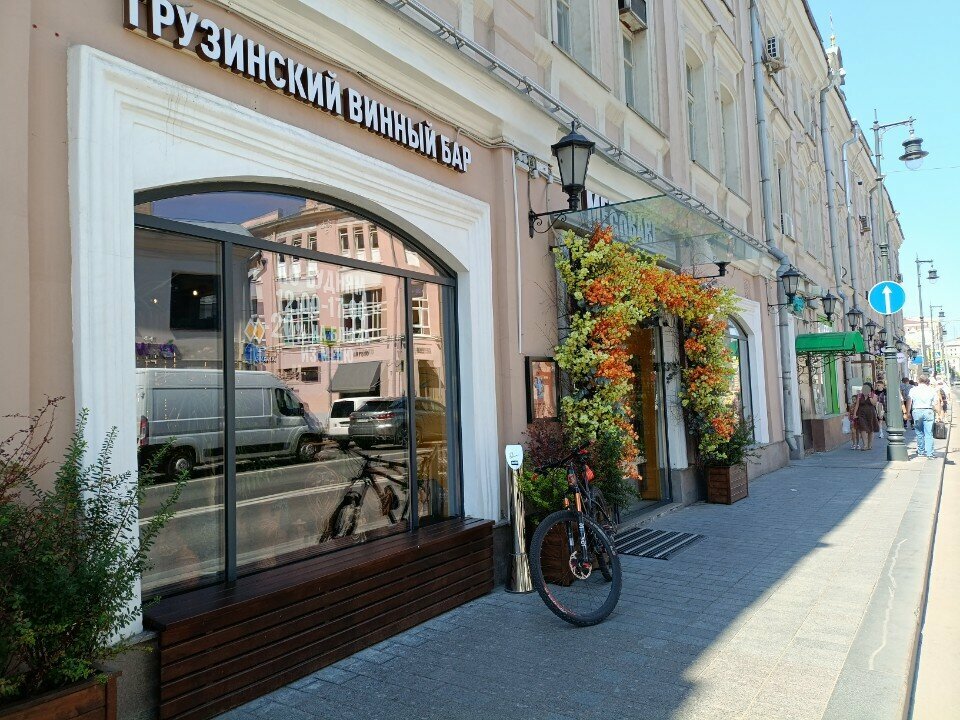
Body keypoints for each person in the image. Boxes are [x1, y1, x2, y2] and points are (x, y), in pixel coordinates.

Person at [907, 374, 939, 459]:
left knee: (919, 432)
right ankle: (930, 453)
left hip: (917, 411)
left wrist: (908, 413)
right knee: (929, 433)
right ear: (927, 381)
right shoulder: (932, 390)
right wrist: (939, 414)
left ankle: (921, 451)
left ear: (918, 381)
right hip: (928, 411)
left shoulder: (913, 390)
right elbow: (936, 403)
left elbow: (909, 401)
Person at [852, 382, 880, 451]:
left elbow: (874, 403)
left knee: (871, 429)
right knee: (863, 428)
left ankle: (869, 445)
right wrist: (854, 414)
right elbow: (857, 405)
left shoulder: (874, 395)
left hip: (871, 414)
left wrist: (869, 396)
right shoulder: (859, 395)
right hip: (861, 414)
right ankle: (865, 445)